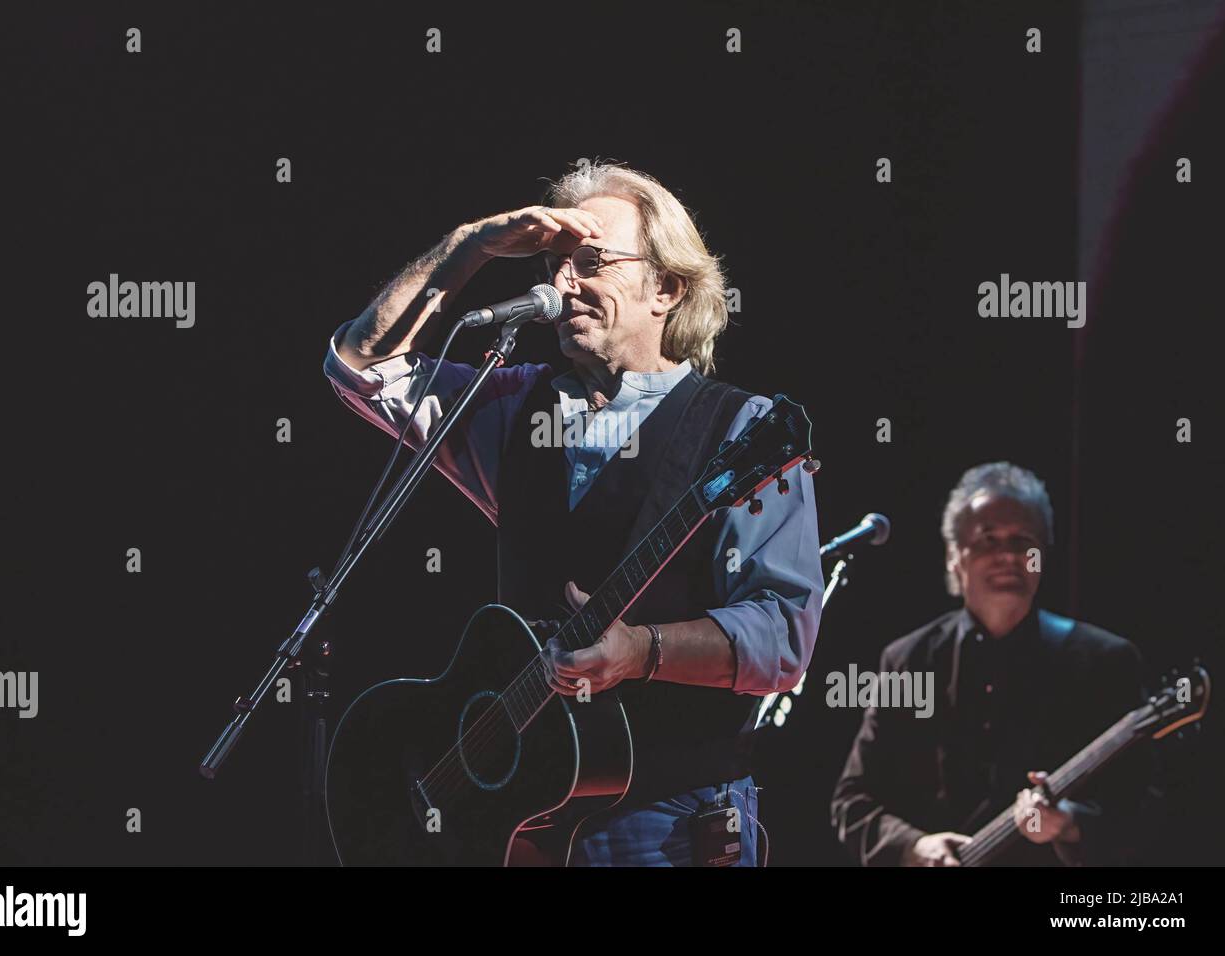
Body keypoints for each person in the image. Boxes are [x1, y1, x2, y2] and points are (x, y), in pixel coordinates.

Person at [324, 163, 823, 865]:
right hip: (519, 823)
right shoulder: (511, 408)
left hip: (672, 823)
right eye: (556, 264)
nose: (559, 285)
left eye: (591, 263)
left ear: (667, 288)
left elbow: (782, 633)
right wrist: (468, 249)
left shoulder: (744, 429)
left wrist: (641, 652)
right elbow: (361, 367)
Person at [830, 462, 1149, 866]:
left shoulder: (1106, 663)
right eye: (987, 540)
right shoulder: (907, 661)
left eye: (1022, 542)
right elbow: (852, 802)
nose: (1007, 556)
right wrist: (915, 845)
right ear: (953, 557)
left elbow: (1147, 814)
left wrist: (1069, 824)